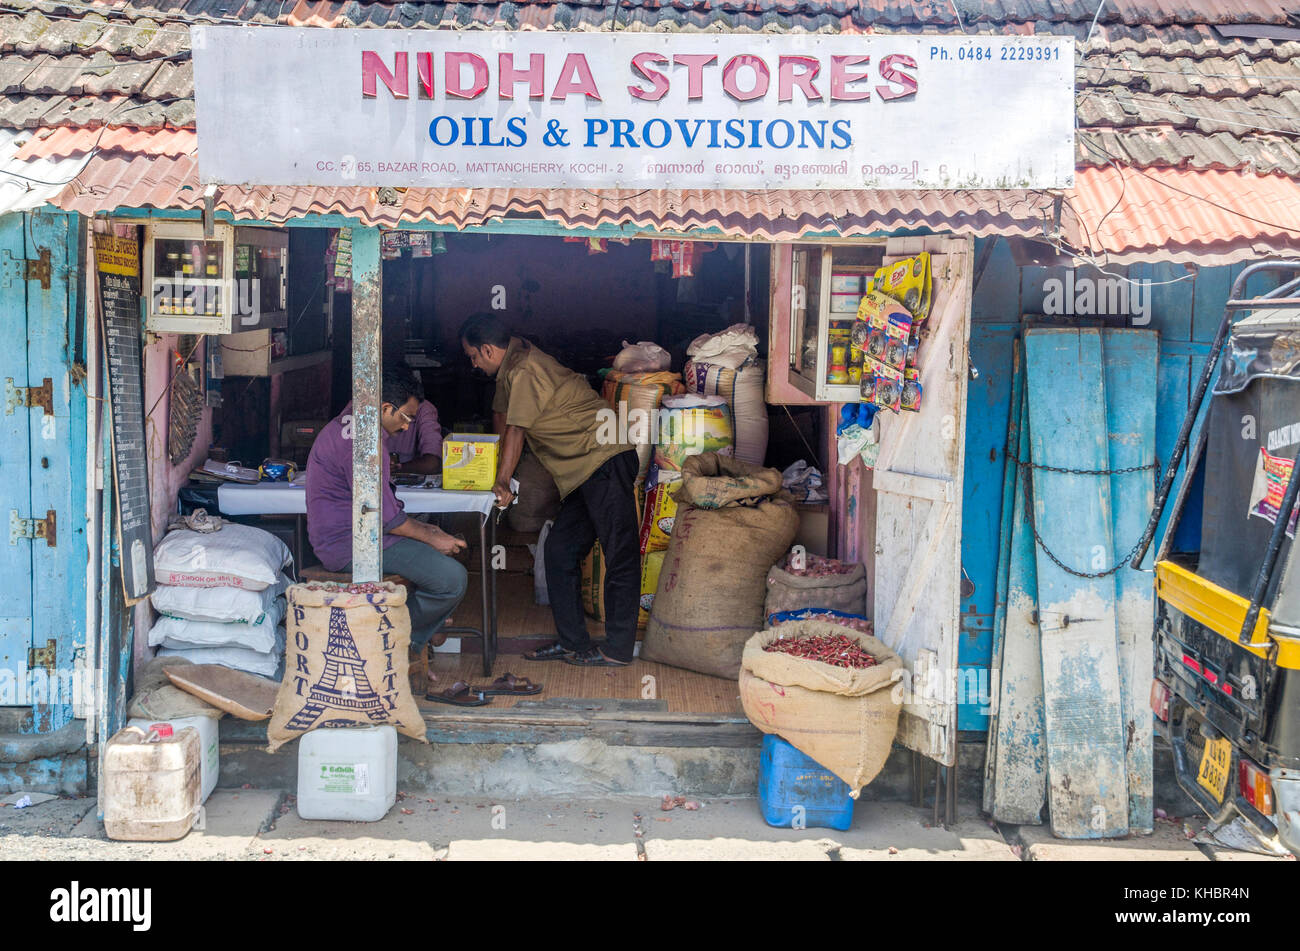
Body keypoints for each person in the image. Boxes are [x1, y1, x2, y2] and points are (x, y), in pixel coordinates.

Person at [461, 312, 639, 667]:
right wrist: (486, 469)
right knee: (559, 553)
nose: (474, 365)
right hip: (581, 471)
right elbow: (502, 419)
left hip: (603, 458)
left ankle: (618, 649)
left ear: (486, 349)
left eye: (473, 357)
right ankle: (573, 643)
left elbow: (516, 429)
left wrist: (502, 481)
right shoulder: (510, 366)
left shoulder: (525, 367)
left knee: (620, 554)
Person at [306, 366, 469, 680]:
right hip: (351, 544)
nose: (407, 427)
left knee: (438, 565)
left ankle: (399, 637)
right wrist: (433, 536)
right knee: (452, 579)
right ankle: (392, 642)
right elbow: (384, 517)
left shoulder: (351, 425)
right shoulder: (362, 442)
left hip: (361, 536)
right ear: (385, 408)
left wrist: (431, 534)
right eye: (405, 417)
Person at [387, 381, 443, 476]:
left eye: (410, 417)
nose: (406, 426)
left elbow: (433, 463)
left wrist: (397, 467)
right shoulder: (360, 409)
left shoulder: (423, 408)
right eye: (404, 416)